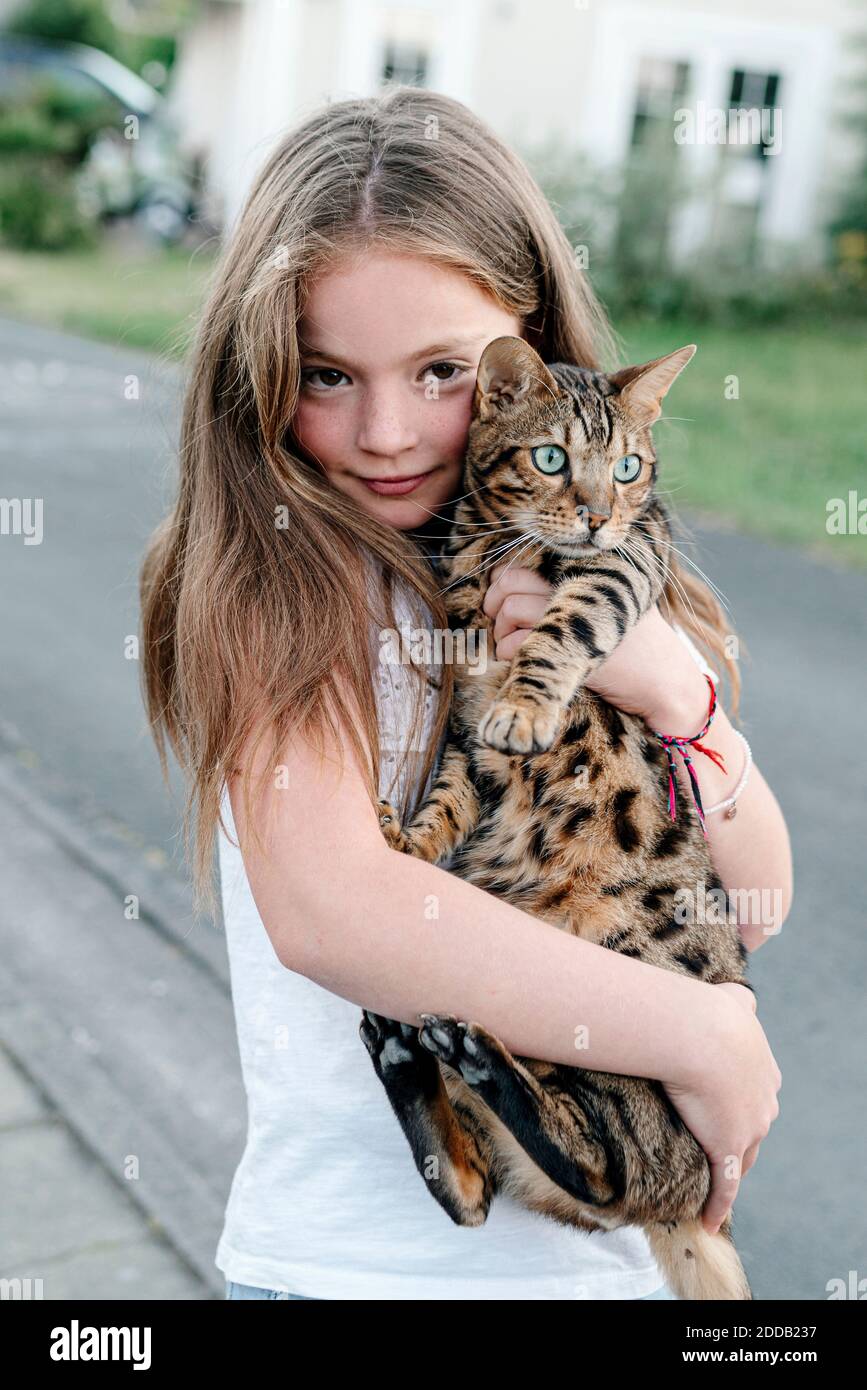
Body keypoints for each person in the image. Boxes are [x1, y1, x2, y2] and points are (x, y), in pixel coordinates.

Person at [139, 86, 789, 1301]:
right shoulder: (285, 587)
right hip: (354, 1278)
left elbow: (755, 894)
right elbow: (337, 913)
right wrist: (705, 1036)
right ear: (260, 370)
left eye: (442, 370)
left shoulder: (597, 566)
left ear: (525, 350)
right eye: (326, 374)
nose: (386, 431)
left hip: (603, 1279)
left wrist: (678, 696)